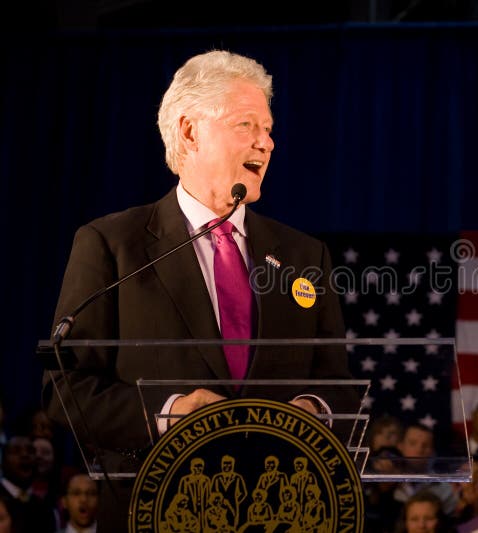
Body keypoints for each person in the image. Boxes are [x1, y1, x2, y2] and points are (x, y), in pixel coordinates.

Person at [42, 49, 357, 531]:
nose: (267, 142)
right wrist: (168, 413)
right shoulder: (112, 245)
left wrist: (315, 410)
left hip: (275, 514)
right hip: (155, 509)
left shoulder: (304, 255)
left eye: (268, 128)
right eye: (246, 125)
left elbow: (339, 383)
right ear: (189, 132)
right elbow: (66, 387)